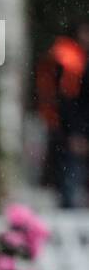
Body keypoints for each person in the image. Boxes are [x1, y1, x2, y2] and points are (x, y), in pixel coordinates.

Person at [37, 21, 89, 210]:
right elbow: (68, 100)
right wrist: (76, 132)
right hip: (68, 130)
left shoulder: (67, 54)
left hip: (60, 126)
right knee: (70, 179)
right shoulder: (69, 59)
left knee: (67, 176)